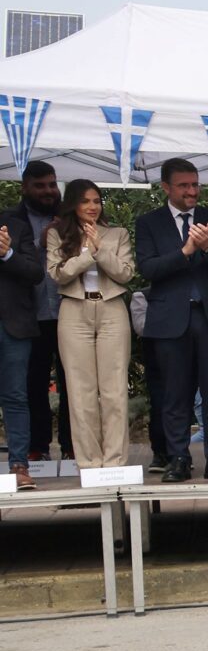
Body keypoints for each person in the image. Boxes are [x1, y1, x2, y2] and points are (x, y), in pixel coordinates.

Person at [134, 159, 208, 480]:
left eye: (195, 184)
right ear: (166, 187)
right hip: (170, 319)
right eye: (184, 185)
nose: (192, 191)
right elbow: (148, 269)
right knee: (175, 395)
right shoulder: (149, 223)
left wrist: (207, 248)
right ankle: (178, 458)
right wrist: (184, 251)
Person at [43, 180, 136, 471]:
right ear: (73, 204)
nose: (93, 207)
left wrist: (101, 250)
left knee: (114, 390)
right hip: (74, 309)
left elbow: (125, 273)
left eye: (97, 201)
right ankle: (90, 464)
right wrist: (86, 255)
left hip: (111, 308)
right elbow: (58, 275)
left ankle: (115, 462)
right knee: (80, 391)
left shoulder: (117, 234)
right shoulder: (57, 234)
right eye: (86, 201)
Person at [3, 161, 69, 463]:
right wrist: (42, 246)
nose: (48, 191)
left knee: (72, 383)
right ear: (24, 188)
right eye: (40, 186)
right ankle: (38, 446)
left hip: (69, 312)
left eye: (52, 184)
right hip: (30, 316)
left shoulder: (69, 216)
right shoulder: (10, 221)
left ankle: (71, 445)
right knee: (34, 383)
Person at [0, 191, 45, 489]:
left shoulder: (15, 226)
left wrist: (7, 254)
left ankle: (19, 465)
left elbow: (35, 273)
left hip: (12, 325)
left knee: (16, 397)